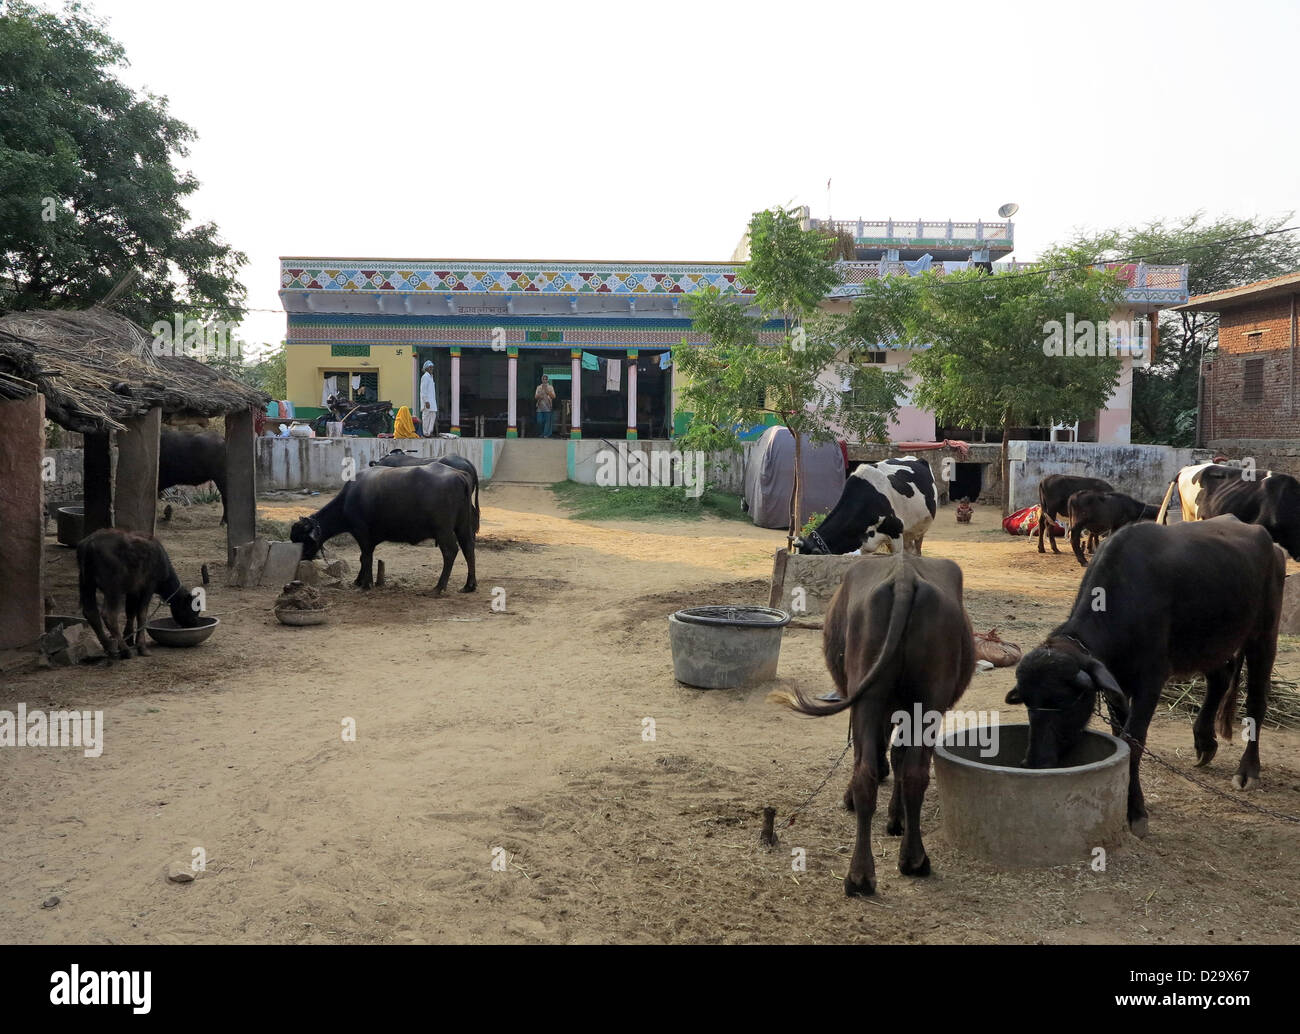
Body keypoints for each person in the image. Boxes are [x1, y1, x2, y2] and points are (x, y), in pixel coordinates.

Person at [420, 360, 438, 437]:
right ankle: (425, 433)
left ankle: (429, 432)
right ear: (426, 368)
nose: (431, 369)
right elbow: (423, 390)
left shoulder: (431, 377)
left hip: (432, 401)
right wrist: (426, 401)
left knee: (433, 416)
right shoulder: (425, 377)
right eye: (430, 367)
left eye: (432, 367)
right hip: (427, 402)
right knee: (426, 417)